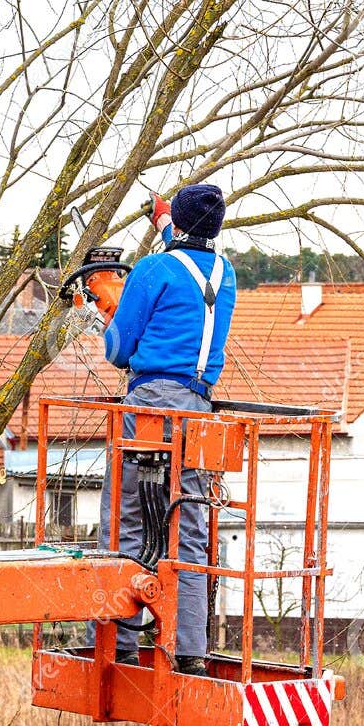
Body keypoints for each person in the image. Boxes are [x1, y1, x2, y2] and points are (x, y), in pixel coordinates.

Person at [92, 183, 235, 674]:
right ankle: (189, 651)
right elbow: (187, 242)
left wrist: (110, 310)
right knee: (188, 529)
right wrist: (164, 221)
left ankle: (120, 646)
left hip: (149, 407)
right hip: (198, 409)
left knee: (126, 519)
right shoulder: (224, 273)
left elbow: (119, 351)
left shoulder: (153, 270)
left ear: (178, 223)